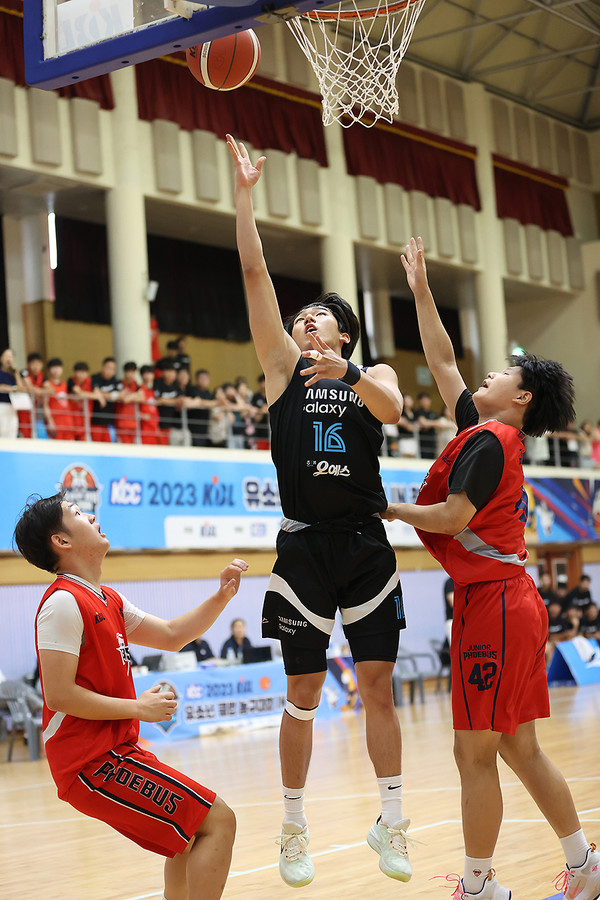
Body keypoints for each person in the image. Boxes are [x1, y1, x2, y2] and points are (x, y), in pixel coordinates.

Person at [383, 236, 599, 900]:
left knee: (475, 753)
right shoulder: (485, 434)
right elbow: (444, 359)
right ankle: (586, 868)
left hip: (497, 606)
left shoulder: (494, 440)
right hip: (507, 602)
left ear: (523, 397)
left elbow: (450, 519)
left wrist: (386, 510)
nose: (486, 376)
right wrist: (419, 291)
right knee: (516, 748)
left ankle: (478, 888)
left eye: (502, 374)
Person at [227, 134, 409, 888]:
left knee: (376, 687)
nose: (303, 325)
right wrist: (244, 199)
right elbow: (251, 272)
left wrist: (354, 370)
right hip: (302, 547)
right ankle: (293, 827)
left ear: (342, 332)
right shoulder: (281, 372)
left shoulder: (372, 373)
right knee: (302, 694)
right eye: (299, 318)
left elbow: (394, 410)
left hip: (365, 544)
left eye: (316, 319)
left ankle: (391, 820)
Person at [13, 490, 248, 900]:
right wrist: (139, 707)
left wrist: (222, 595)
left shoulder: (108, 598)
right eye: (78, 513)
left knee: (188, 835)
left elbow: (174, 636)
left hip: (118, 751)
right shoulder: (63, 603)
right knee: (219, 821)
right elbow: (60, 694)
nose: (91, 516)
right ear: (61, 541)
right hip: (89, 763)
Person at [91, 357, 122, 442]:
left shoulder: (116, 381)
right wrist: (112, 395)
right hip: (96, 421)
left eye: (113, 369)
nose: (110, 371)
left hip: (110, 423)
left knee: (110, 447)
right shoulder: (94, 378)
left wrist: (102, 395)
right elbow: (95, 392)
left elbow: (121, 395)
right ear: (102, 367)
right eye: (108, 368)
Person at [43, 358, 75, 441]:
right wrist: (50, 421)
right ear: (49, 369)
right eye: (54, 367)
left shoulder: (65, 384)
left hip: (67, 421)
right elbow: (45, 405)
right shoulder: (47, 385)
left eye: (58, 367)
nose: (56, 370)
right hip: (55, 420)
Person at [19, 352, 46, 438]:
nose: (36, 366)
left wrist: (38, 391)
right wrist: (40, 391)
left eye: (38, 364)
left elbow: (51, 390)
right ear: (28, 364)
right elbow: (29, 388)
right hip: (23, 407)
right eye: (33, 363)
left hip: (34, 407)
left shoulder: (42, 376)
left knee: (33, 429)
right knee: (24, 429)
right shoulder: (24, 373)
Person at [0, 347, 25, 439]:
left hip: (13, 406)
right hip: (1, 405)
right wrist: (14, 388)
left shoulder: (14, 374)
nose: (8, 359)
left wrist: (16, 374)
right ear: (1, 358)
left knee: (12, 431)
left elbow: (21, 388)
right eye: (6, 356)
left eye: (10, 356)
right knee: (2, 430)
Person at [189, 369, 217, 448]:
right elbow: (199, 402)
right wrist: (213, 403)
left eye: (206, 378)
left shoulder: (208, 392)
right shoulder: (193, 390)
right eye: (202, 378)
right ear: (197, 380)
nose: (204, 380)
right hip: (195, 429)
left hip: (206, 429)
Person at [115, 362, 142, 444]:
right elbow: (124, 399)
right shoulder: (119, 384)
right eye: (129, 372)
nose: (130, 374)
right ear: (124, 372)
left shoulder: (136, 385)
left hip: (133, 423)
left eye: (133, 372)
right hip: (122, 423)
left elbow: (142, 397)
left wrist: (130, 395)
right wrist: (135, 396)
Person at [68, 362, 95, 441]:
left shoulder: (91, 381)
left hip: (85, 420)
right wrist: (90, 395)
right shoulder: (71, 381)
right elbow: (78, 392)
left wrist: (83, 396)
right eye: (79, 372)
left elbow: (97, 394)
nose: (81, 375)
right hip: (72, 419)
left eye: (83, 372)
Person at [414, 391, 439, 459]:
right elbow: (424, 424)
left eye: (426, 400)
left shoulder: (433, 413)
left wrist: (430, 423)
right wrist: (434, 423)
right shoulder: (418, 412)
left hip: (432, 441)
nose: (425, 402)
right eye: (423, 400)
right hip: (422, 442)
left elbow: (439, 424)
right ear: (419, 401)